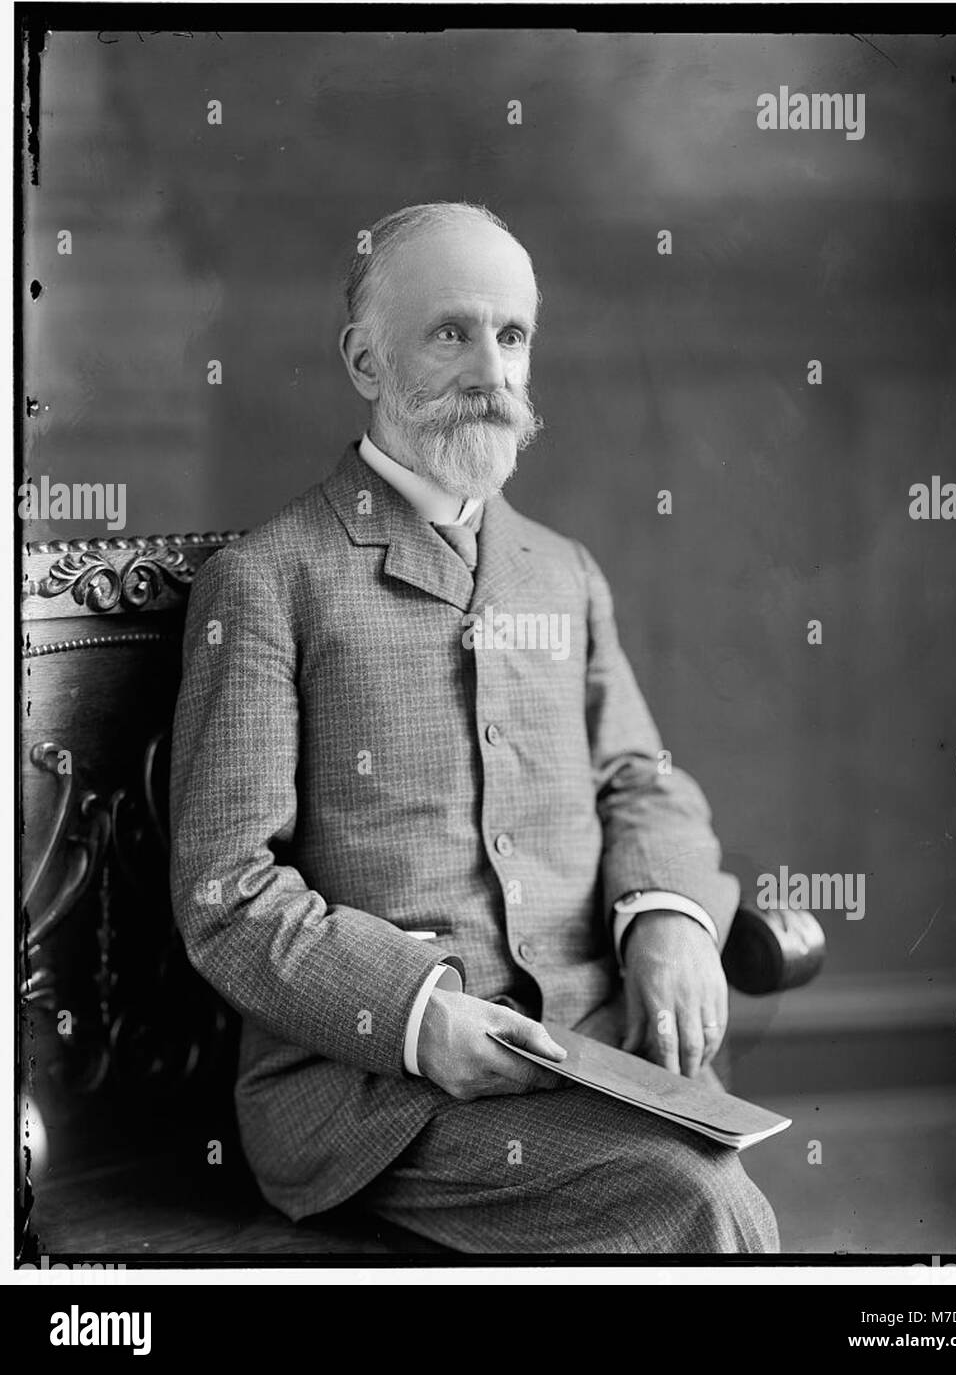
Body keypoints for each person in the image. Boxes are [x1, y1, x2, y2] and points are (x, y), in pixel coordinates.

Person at [169, 201, 778, 1254]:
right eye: (451, 331)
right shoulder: (270, 580)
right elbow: (227, 888)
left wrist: (667, 912)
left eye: (512, 336)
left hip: (584, 1042)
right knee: (698, 1206)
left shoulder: (561, 571)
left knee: (706, 1181)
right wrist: (415, 1014)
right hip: (374, 1091)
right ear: (365, 359)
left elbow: (643, 776)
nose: (493, 373)